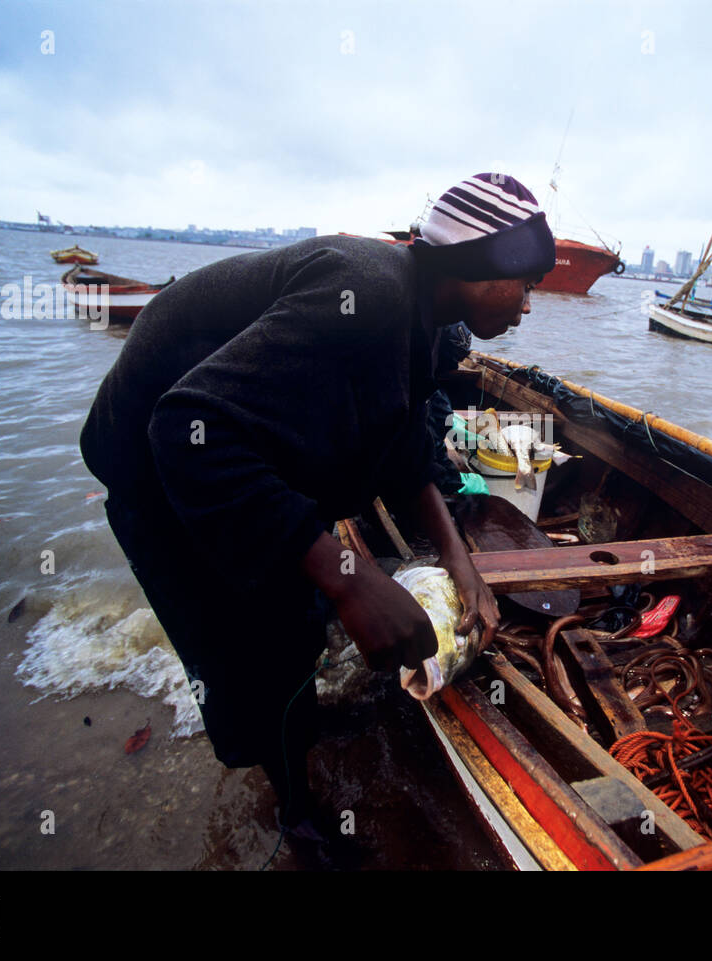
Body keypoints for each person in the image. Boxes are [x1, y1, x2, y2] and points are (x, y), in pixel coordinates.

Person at [79, 173, 555, 837]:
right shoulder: (372, 297)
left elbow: (404, 434)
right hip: (156, 460)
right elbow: (183, 429)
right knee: (245, 647)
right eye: (525, 284)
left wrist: (457, 558)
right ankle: (294, 809)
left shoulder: (434, 323)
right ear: (477, 266)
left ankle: (297, 726)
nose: (529, 306)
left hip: (234, 432)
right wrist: (346, 576)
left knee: (294, 615)